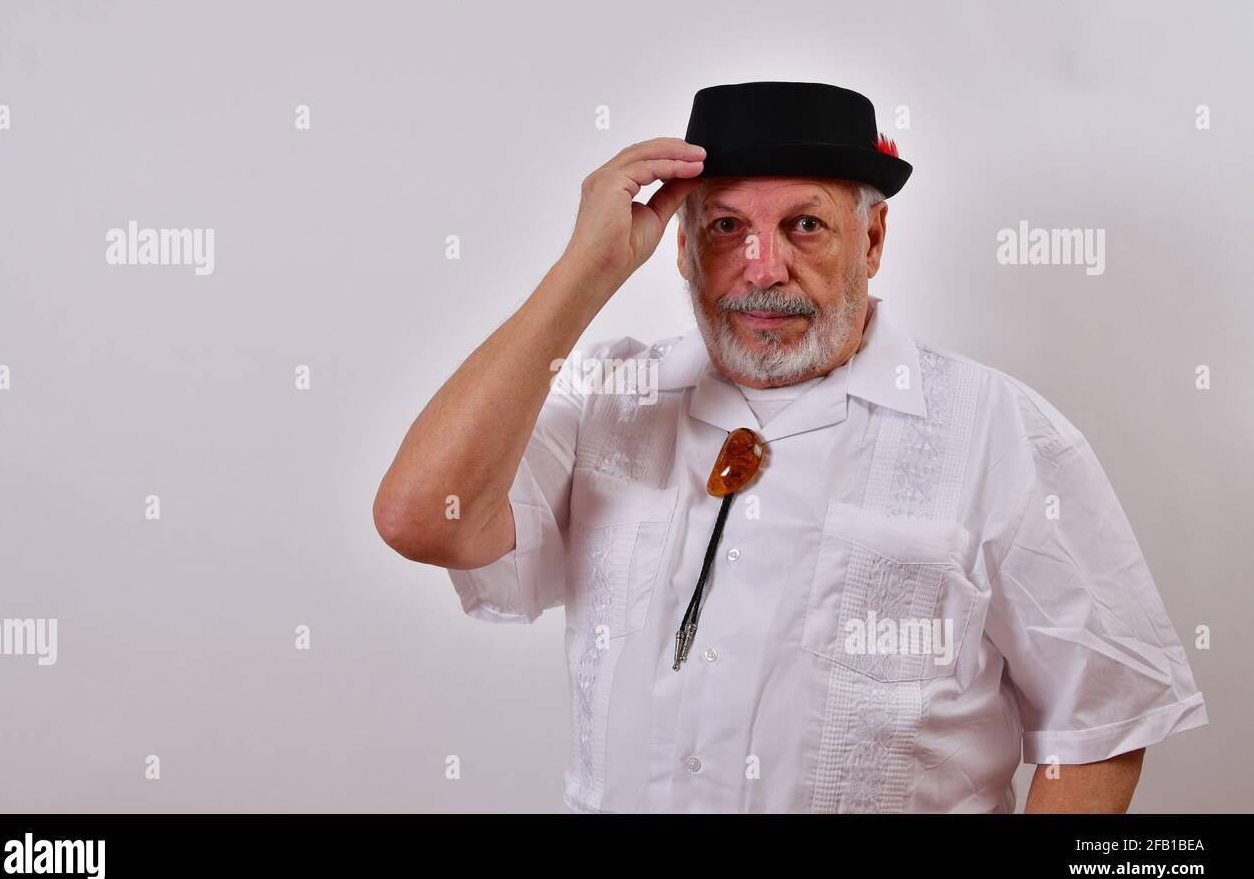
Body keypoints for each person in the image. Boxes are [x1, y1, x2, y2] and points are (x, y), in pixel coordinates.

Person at [373, 81, 1208, 813]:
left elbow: (1100, 722)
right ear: (683, 249)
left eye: (805, 224)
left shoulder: (998, 430)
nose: (761, 267)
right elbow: (420, 517)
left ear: (872, 243)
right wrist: (583, 274)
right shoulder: (609, 402)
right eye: (727, 226)